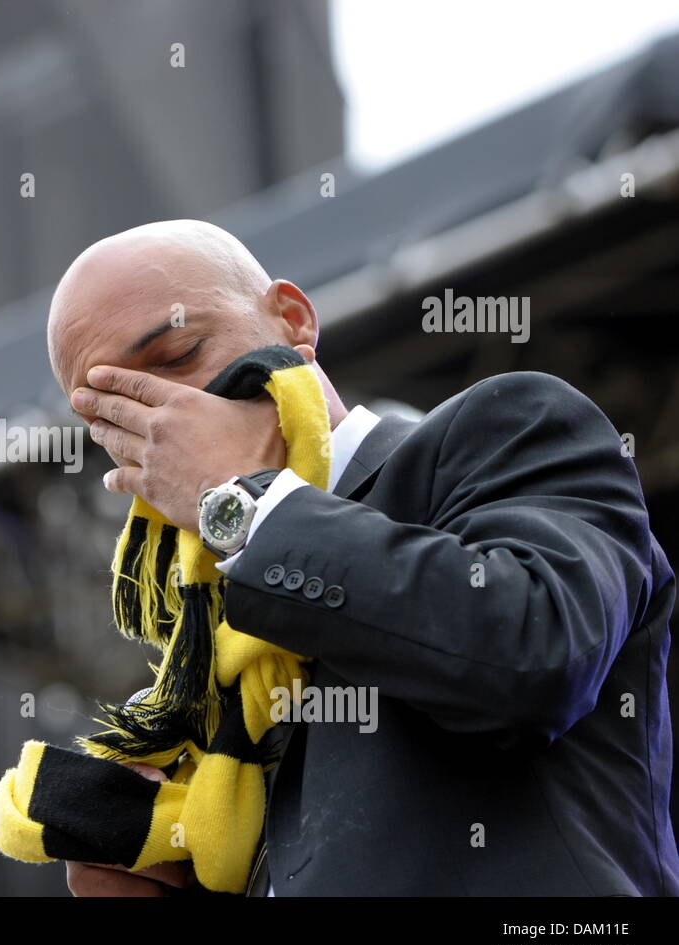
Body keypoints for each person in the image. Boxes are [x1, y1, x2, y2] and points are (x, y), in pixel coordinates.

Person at [46, 219, 679, 896]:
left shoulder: (511, 425)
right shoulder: (210, 651)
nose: (165, 418)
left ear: (292, 320)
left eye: (179, 355)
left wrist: (244, 504)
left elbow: (534, 649)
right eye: (117, 414)